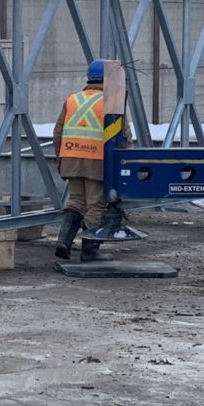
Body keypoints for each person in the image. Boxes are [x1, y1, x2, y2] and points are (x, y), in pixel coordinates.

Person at [53, 59, 123, 261]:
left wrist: (61, 158)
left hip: (72, 158)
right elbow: (122, 137)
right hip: (96, 162)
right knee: (95, 205)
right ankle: (89, 251)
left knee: (76, 201)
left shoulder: (73, 100)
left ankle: (64, 242)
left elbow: (58, 132)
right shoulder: (111, 102)